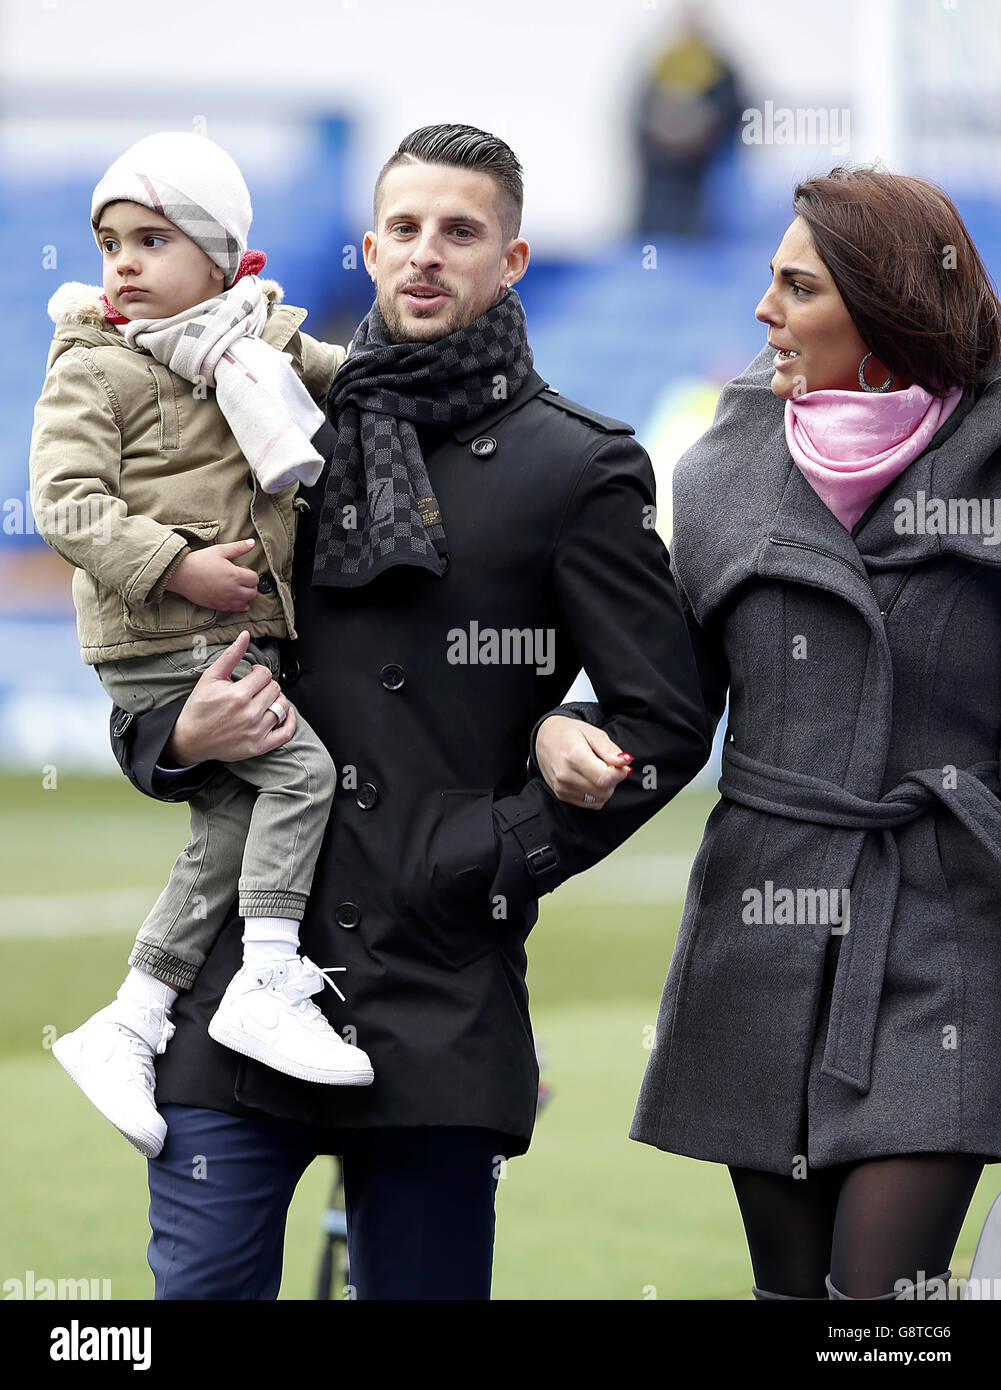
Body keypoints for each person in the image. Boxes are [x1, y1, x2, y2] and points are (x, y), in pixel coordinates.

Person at [105, 123, 710, 1300]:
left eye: (460, 232)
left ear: (513, 259)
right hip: (240, 971)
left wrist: (492, 853)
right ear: (370, 246)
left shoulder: (576, 466)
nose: (426, 255)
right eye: (405, 229)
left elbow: (664, 718)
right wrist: (175, 737)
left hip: (438, 985)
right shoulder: (266, 421)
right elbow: (156, 650)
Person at [533, 166, 1001, 1301]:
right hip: (768, 928)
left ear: (884, 309)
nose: (761, 310)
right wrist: (563, 730)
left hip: (950, 923)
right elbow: (671, 703)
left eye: (795, 286)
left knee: (881, 1296)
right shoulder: (722, 471)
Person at [29, 131, 374, 1162]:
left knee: (227, 832)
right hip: (168, 637)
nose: (123, 263)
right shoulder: (96, 363)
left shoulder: (249, 343)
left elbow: (357, 384)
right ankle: (265, 979)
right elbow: (63, 502)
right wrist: (177, 564)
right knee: (303, 774)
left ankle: (129, 1019)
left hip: (225, 636)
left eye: (152, 238)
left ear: (222, 260)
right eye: (109, 243)